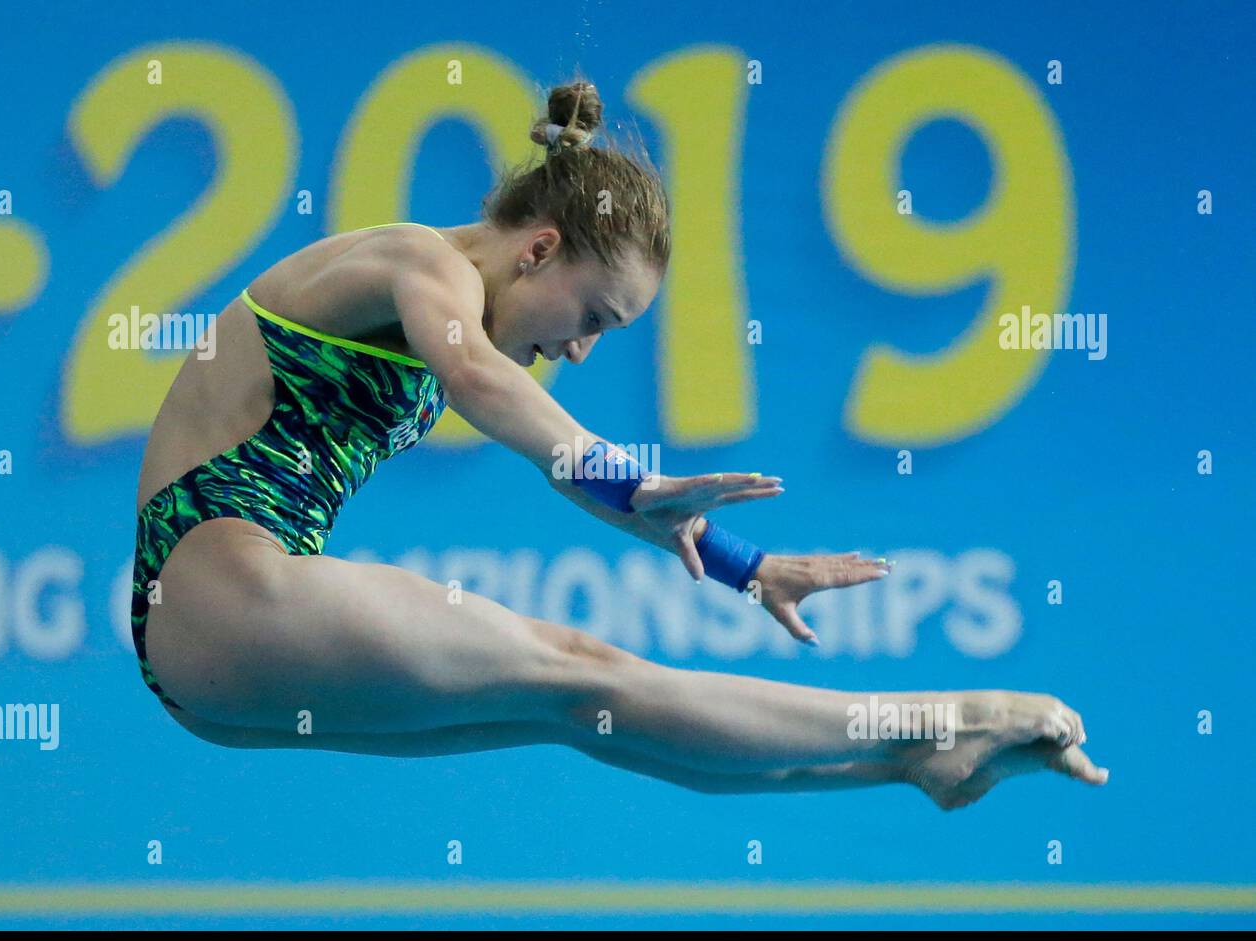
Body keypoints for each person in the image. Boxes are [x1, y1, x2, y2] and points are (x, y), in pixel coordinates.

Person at [131, 81, 1107, 810]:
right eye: (593, 314)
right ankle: (933, 716)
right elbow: (481, 383)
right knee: (585, 666)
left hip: (211, 658)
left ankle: (909, 757)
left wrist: (747, 566)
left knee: (589, 712)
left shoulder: (457, 296)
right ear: (541, 247)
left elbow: (569, 463)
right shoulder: (416, 263)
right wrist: (637, 481)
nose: (582, 348)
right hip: (226, 589)